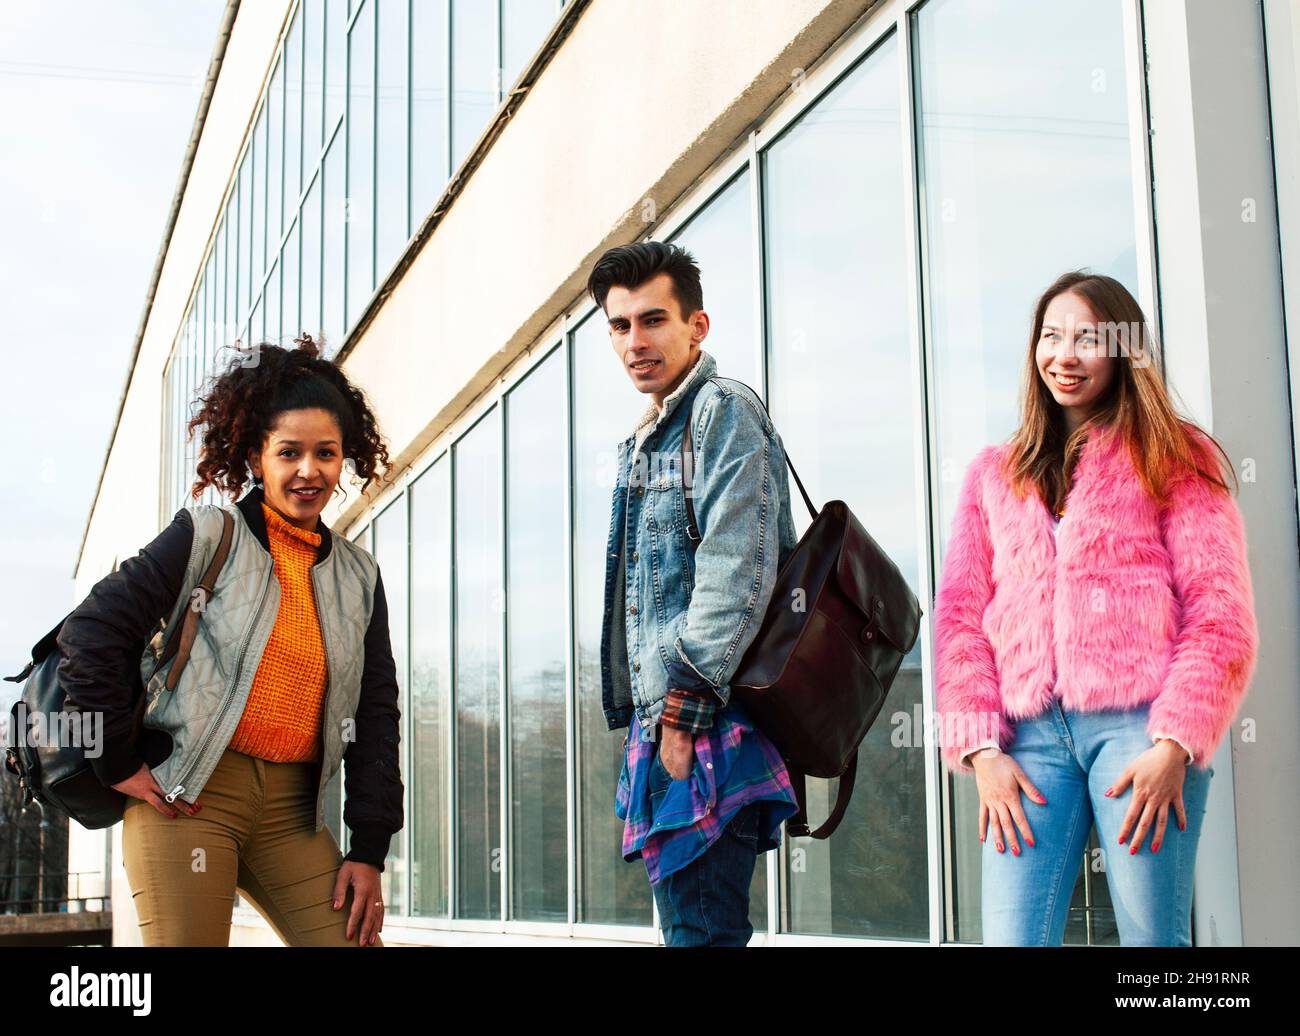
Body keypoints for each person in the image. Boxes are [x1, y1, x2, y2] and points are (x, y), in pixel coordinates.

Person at [933, 270, 1258, 946]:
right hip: (1024, 742)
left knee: (1150, 943)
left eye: (1087, 339)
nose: (1064, 355)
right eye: (1051, 337)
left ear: (1122, 348)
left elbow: (1220, 611)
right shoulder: (996, 472)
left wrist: (1176, 743)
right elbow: (960, 617)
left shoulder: (1174, 457)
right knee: (1014, 938)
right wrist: (980, 747)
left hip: (1139, 731)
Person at [57, 335, 403, 947]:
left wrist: (369, 848)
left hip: (292, 814)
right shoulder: (210, 534)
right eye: (288, 452)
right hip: (186, 795)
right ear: (256, 457)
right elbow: (92, 630)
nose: (308, 470)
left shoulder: (358, 576)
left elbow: (375, 714)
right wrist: (116, 758)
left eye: (326, 453)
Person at [586, 241, 800, 947]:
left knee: (702, 933)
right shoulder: (647, 439)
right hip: (669, 718)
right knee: (691, 928)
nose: (634, 342)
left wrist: (682, 709)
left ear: (697, 326)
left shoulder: (721, 412)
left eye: (652, 320)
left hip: (704, 716)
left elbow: (738, 569)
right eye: (619, 326)